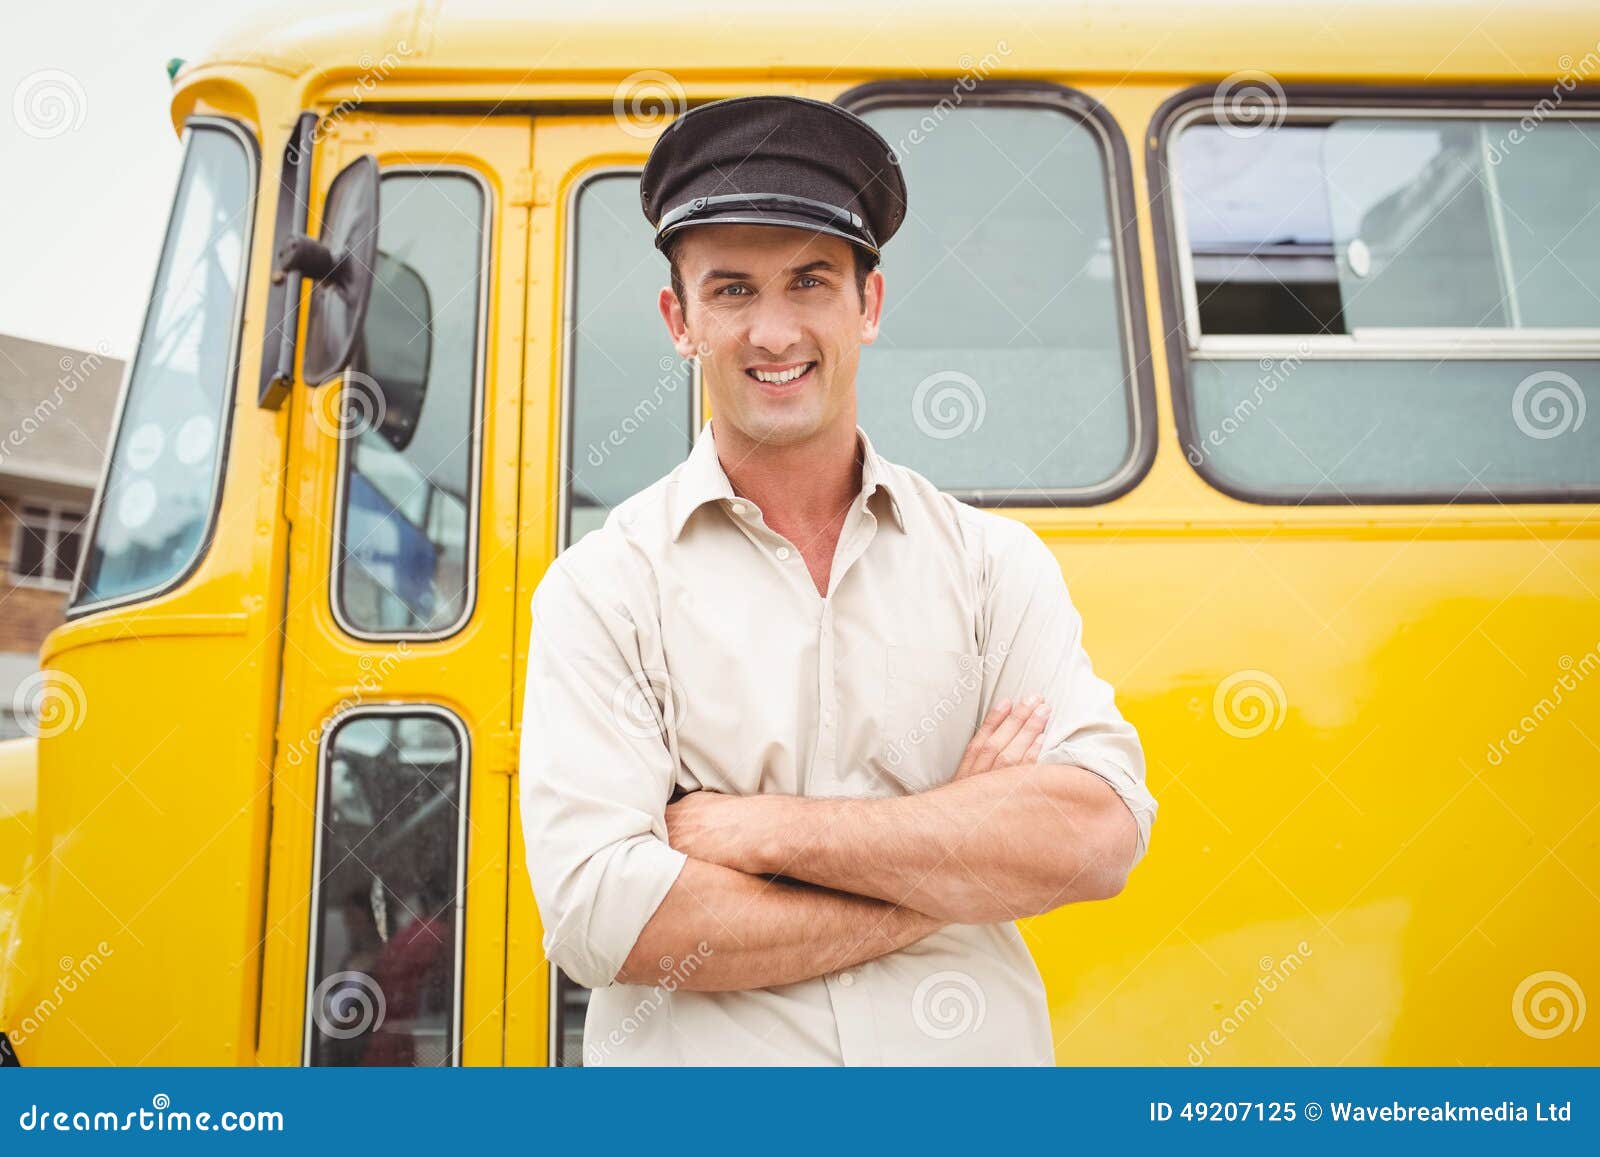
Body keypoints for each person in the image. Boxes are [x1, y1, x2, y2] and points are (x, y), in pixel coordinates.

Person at [519, 95, 1157, 1065]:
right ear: (678, 319)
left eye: (809, 281)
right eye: (731, 290)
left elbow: (1093, 835)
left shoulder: (994, 565)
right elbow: (608, 919)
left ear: (868, 303)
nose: (774, 331)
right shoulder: (603, 589)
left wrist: (759, 830)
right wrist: (955, 857)